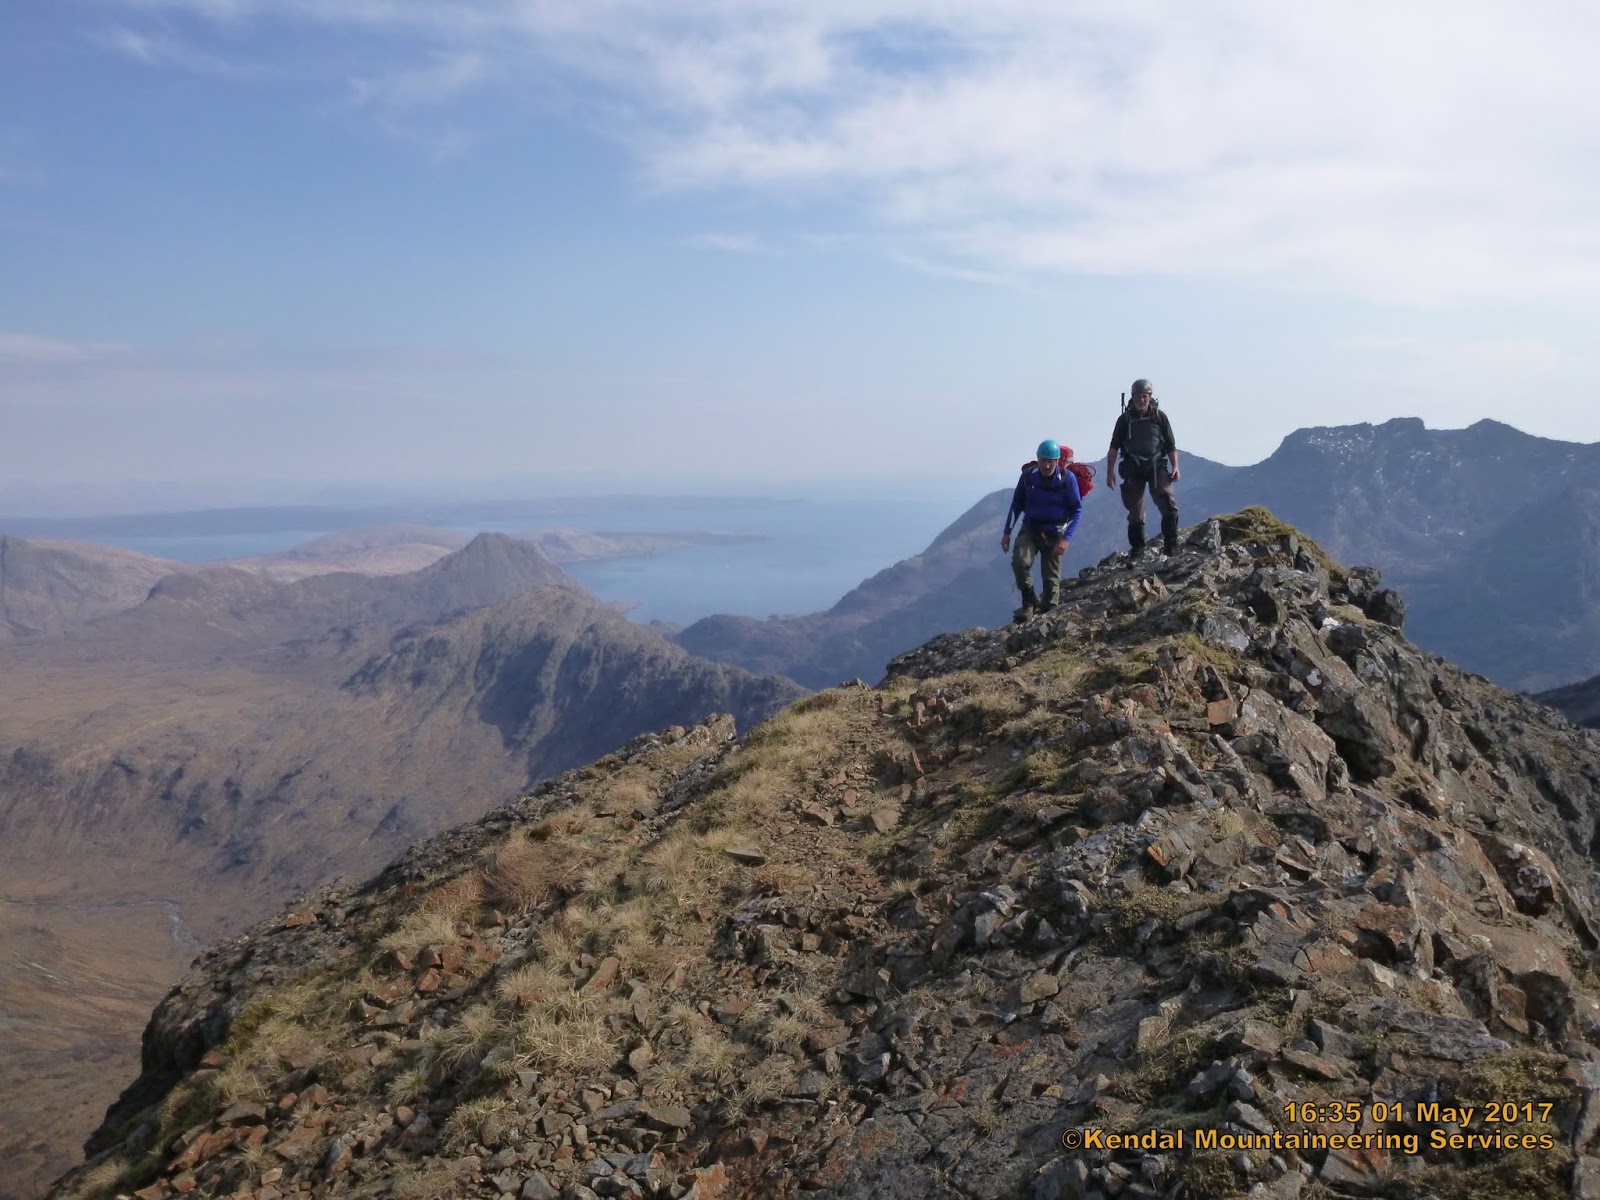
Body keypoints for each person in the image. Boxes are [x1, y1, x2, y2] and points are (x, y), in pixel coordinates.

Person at [1001, 440, 1083, 619]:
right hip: (1031, 529)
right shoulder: (1028, 477)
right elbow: (1016, 505)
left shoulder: (1067, 479)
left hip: (1055, 533)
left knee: (1051, 583)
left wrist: (1066, 539)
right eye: (1043, 460)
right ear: (1037, 459)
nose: (1046, 465)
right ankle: (1029, 602)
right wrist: (1007, 532)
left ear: (1057, 461)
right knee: (1020, 562)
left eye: (1051, 461)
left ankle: (1047, 611)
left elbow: (1076, 510)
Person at [1106, 378, 1180, 557]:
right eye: (1138, 396)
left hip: (1156, 465)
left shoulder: (1159, 416)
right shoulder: (1124, 420)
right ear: (1133, 397)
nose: (1141, 400)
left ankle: (1171, 546)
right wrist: (1110, 472)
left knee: (1168, 503)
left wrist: (1175, 466)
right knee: (1135, 509)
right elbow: (1114, 446)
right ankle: (1138, 549)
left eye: (1144, 396)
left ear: (1150, 396)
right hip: (1133, 466)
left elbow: (1170, 444)